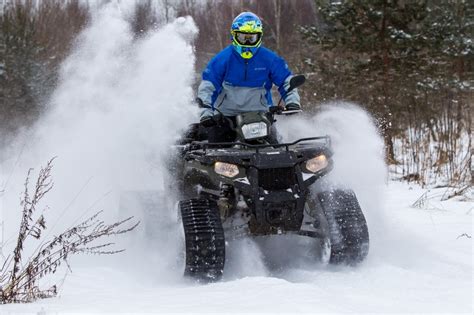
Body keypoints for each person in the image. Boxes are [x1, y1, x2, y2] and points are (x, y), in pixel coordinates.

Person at [196, 11, 301, 143]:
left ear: (259, 37)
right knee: (214, 150)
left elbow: (287, 81)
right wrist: (206, 112)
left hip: (260, 115)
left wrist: (292, 102)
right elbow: (208, 86)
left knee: (275, 150)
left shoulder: (269, 59)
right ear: (234, 36)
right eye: (242, 37)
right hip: (225, 117)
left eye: (251, 38)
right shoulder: (222, 59)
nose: (246, 42)